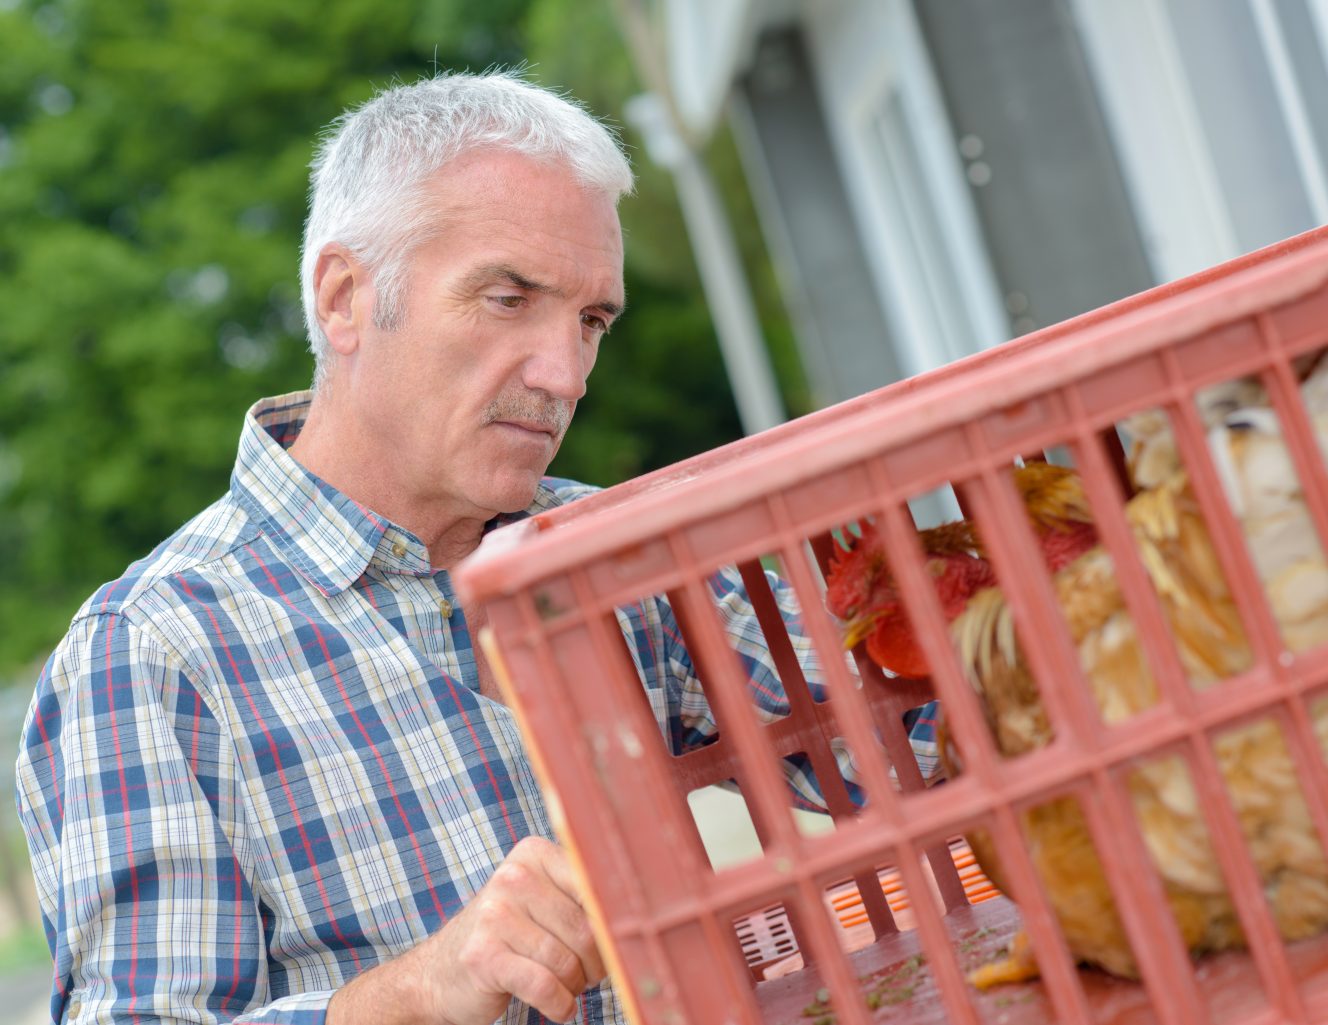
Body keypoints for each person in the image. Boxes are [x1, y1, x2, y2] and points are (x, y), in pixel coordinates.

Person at [15, 71, 939, 1025]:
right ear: (344, 299)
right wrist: (417, 992)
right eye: (508, 298)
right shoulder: (153, 649)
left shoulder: (611, 553)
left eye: (590, 322)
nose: (564, 372)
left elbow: (914, 737)